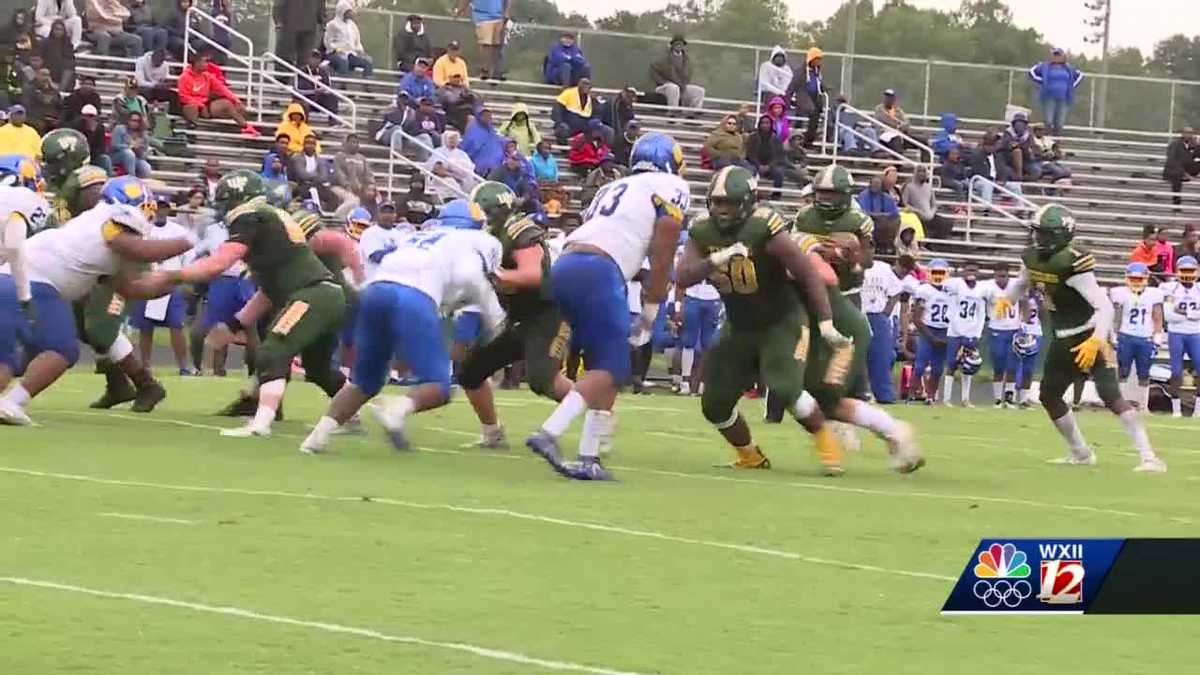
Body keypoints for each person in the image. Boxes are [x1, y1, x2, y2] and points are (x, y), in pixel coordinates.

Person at [523, 133, 690, 480]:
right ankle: (549, 433)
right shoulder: (670, 185)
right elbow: (663, 253)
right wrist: (651, 312)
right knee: (612, 368)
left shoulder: (613, 187)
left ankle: (590, 457)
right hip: (598, 269)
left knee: (605, 365)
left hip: (566, 265)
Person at [671, 166, 846, 470]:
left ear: (747, 202)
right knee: (714, 404)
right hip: (739, 325)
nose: (721, 209)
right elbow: (683, 276)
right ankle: (750, 455)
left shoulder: (764, 227)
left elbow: (807, 274)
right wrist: (717, 257)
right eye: (717, 202)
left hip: (781, 319)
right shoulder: (703, 230)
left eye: (729, 202)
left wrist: (826, 321)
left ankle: (826, 440)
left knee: (785, 388)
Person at [151, 169, 349, 437]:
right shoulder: (270, 224)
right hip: (324, 295)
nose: (222, 209)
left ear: (238, 200)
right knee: (318, 369)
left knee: (273, 350)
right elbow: (269, 291)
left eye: (225, 202)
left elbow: (219, 263)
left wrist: (172, 275)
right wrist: (234, 324)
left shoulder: (251, 216)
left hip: (312, 295)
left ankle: (261, 422)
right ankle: (350, 416)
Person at [300, 220, 505, 453]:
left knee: (364, 382)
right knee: (440, 386)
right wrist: (497, 323)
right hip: (412, 296)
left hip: (374, 292)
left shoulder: (426, 238)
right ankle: (396, 409)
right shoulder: (477, 246)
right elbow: (471, 278)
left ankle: (317, 436)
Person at [0, 177, 187, 425]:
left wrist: (179, 278)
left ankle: (131, 384)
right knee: (63, 348)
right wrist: (189, 242)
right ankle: (12, 402)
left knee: (10, 355)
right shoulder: (115, 222)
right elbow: (141, 253)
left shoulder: (94, 223)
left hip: (14, 277)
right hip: (37, 282)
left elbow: (128, 286)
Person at [992, 204, 1165, 470]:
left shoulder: (1072, 263)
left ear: (1062, 235)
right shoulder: (1032, 257)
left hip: (1089, 334)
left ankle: (1149, 457)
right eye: (1037, 232)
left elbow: (1104, 306)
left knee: (1111, 395)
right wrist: (1008, 298)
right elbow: (1023, 281)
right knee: (1049, 396)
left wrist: (1097, 340)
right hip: (1063, 338)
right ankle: (1081, 453)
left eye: (1045, 233)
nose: (1039, 238)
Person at [785, 164, 923, 472]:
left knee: (825, 392)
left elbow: (867, 261)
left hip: (843, 300)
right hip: (813, 302)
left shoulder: (857, 220)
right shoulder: (805, 218)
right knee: (811, 385)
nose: (826, 199)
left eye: (832, 194)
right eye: (822, 193)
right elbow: (796, 253)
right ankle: (885, 431)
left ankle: (888, 431)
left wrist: (850, 257)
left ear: (846, 195)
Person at [128, 196, 193, 375]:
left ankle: (184, 366)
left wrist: (184, 278)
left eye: (164, 208)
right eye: (157, 208)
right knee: (145, 327)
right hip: (147, 280)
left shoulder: (179, 231)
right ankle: (145, 366)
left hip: (171, 282)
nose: (160, 212)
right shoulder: (142, 229)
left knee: (177, 325)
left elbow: (188, 257)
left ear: (168, 210)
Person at [1108, 262, 1164, 411]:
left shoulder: (1153, 294)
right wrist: (1113, 336)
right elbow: (1115, 318)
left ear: (1146, 278)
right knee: (1122, 371)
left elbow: (1158, 318)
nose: (1136, 282)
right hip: (1125, 335)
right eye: (1133, 279)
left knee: (1144, 373)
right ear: (1127, 278)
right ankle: (1119, 404)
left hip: (1145, 338)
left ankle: (1143, 405)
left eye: (1139, 279)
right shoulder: (1120, 293)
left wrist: (1157, 338)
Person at [938, 263, 987, 407]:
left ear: (978, 273)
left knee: (968, 365)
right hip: (955, 331)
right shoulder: (957, 284)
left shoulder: (981, 289)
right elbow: (944, 283)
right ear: (963, 272)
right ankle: (946, 399)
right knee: (951, 364)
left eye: (974, 270)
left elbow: (981, 314)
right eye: (968, 270)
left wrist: (977, 334)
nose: (971, 273)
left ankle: (965, 399)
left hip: (971, 332)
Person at [177, 52, 257, 136]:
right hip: (190, 105)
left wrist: (236, 100)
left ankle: (245, 127)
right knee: (191, 107)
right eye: (205, 62)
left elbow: (222, 89)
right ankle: (191, 132)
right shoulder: (184, 77)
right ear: (197, 63)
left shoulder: (207, 76)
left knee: (227, 103)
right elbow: (183, 96)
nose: (207, 64)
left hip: (205, 104)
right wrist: (199, 105)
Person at [977, 263, 1023, 407]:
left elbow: (1025, 302)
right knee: (998, 366)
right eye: (998, 276)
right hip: (996, 329)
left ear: (1009, 275)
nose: (1001, 279)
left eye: (1004, 276)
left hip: (1014, 329)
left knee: (1012, 366)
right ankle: (997, 399)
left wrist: (1024, 323)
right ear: (994, 275)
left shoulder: (1016, 285)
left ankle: (1009, 398)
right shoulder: (987, 286)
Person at [1159, 256, 1200, 418]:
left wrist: (1182, 312)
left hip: (1196, 333)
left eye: (1191, 271)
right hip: (1176, 333)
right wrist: (1193, 314)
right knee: (1176, 372)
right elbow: (1169, 316)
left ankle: (1197, 410)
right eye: (1184, 270)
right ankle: (1176, 410)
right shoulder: (1170, 288)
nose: (1187, 274)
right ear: (1177, 271)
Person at [862, 254, 906, 403]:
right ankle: (856, 392)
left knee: (881, 357)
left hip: (877, 314)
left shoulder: (884, 268)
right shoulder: (853, 265)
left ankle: (884, 394)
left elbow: (896, 291)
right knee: (854, 356)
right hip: (858, 312)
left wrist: (886, 312)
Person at [910, 259, 951, 404]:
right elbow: (916, 318)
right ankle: (911, 395)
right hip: (927, 330)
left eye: (941, 272)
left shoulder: (951, 291)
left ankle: (931, 396)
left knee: (938, 369)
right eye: (935, 272)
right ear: (929, 273)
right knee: (920, 366)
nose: (938, 275)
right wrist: (931, 337)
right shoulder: (924, 290)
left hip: (944, 330)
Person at [1028, 48, 1083, 135]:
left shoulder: (1068, 68)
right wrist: (1041, 81)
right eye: (1055, 55)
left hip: (1064, 98)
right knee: (1048, 121)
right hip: (1048, 97)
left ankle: (1056, 141)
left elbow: (1080, 75)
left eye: (1058, 55)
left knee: (1060, 122)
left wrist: (1072, 86)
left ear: (1062, 56)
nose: (1056, 57)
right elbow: (1032, 72)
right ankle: (1047, 140)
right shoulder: (1045, 66)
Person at [454, 0, 510, 81]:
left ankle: (497, 71)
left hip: (499, 17)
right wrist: (459, 10)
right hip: (483, 17)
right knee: (486, 44)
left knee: (497, 46)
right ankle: (485, 70)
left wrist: (506, 13)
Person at [649, 34, 704, 112]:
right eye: (677, 44)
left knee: (699, 91)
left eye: (681, 44)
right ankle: (673, 112)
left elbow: (688, 75)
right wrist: (663, 82)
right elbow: (653, 71)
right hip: (665, 87)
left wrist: (683, 85)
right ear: (672, 45)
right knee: (674, 88)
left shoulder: (687, 60)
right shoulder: (664, 58)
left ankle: (694, 113)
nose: (679, 46)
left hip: (681, 87)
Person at [873, 89, 929, 161]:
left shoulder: (898, 110)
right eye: (886, 97)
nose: (888, 99)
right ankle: (898, 165)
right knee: (897, 142)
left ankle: (926, 165)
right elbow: (887, 121)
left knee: (923, 141)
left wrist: (902, 126)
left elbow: (907, 122)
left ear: (894, 99)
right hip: (886, 136)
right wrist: (899, 125)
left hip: (901, 135)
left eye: (891, 97)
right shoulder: (879, 109)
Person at [356, 201, 406, 281]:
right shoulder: (369, 233)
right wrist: (396, 251)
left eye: (390, 212)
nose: (387, 215)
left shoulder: (400, 235)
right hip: (374, 281)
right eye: (384, 212)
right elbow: (375, 257)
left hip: (394, 281)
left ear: (395, 215)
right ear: (378, 215)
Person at [786, 47, 825, 146]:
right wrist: (787, 99)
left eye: (819, 59)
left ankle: (809, 139)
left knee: (817, 112)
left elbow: (820, 86)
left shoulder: (817, 73)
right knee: (812, 112)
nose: (818, 62)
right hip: (802, 96)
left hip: (814, 98)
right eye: (816, 59)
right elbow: (792, 86)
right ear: (811, 59)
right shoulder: (800, 72)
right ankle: (805, 139)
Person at [552, 77, 609, 143]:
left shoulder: (592, 99)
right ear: (579, 85)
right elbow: (557, 108)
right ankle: (564, 148)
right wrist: (559, 122)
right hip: (568, 125)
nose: (585, 87)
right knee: (562, 129)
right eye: (584, 84)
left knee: (605, 130)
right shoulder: (568, 93)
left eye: (588, 85)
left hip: (585, 127)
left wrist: (594, 123)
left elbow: (597, 113)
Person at [324, 1, 373, 78]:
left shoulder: (352, 25)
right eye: (349, 11)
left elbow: (357, 41)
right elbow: (327, 42)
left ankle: (367, 83)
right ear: (343, 11)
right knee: (343, 62)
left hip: (351, 54)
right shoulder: (332, 24)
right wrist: (336, 50)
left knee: (368, 62)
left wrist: (360, 51)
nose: (351, 13)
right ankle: (341, 83)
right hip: (335, 53)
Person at [424, 129, 475, 201]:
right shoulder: (439, 151)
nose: (453, 141)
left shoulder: (462, 154)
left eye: (455, 138)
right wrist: (454, 176)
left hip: (461, 180)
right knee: (451, 183)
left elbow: (468, 169)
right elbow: (438, 169)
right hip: (442, 180)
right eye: (451, 138)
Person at [743, 114, 788, 196]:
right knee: (749, 170)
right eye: (763, 123)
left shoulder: (776, 139)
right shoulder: (752, 137)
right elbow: (750, 154)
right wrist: (758, 165)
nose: (765, 125)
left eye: (767, 123)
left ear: (771, 125)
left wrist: (769, 166)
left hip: (771, 165)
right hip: (755, 164)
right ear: (759, 124)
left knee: (779, 172)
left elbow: (778, 156)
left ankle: (776, 194)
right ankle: (748, 193)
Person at [901, 166, 949, 240]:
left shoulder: (929, 187)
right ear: (916, 173)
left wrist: (932, 213)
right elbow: (905, 203)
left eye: (924, 172)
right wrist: (917, 211)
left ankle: (936, 242)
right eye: (920, 171)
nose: (923, 174)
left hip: (929, 214)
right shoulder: (909, 187)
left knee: (946, 223)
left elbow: (934, 204)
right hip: (917, 216)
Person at [272, 0, 324, 68]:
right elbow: (321, 8)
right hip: (308, 25)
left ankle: (286, 73)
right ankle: (301, 72)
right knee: (304, 60)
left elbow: (278, 4)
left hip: (289, 25)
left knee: (285, 60)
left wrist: (278, 20)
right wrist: (321, 20)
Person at [111, 111, 160, 179]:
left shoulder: (143, 135)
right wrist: (130, 146)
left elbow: (144, 154)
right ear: (128, 121)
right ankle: (132, 178)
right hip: (118, 155)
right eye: (133, 120)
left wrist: (138, 150)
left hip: (136, 158)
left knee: (146, 167)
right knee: (129, 153)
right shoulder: (119, 129)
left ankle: (142, 183)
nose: (135, 123)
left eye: (138, 121)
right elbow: (114, 145)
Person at [333, 133, 375, 210]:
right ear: (346, 143)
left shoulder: (362, 158)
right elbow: (339, 174)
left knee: (375, 198)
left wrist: (371, 185)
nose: (354, 144)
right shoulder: (339, 156)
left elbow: (368, 174)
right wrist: (347, 185)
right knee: (353, 200)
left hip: (360, 189)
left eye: (356, 142)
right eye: (352, 142)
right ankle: (339, 214)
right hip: (341, 188)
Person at [461, 108, 506, 178]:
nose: (487, 118)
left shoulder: (491, 131)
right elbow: (468, 148)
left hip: (498, 166)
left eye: (489, 116)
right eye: (484, 116)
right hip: (480, 167)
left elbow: (497, 144)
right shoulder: (472, 131)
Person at [295, 49, 338, 119]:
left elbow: (328, 86)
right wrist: (314, 91)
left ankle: (333, 121)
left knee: (332, 98)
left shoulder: (323, 71)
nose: (315, 60)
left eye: (317, 58)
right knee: (304, 103)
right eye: (313, 58)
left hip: (318, 98)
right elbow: (298, 89)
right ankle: (304, 123)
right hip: (305, 98)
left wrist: (321, 90)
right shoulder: (301, 71)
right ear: (308, 59)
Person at [1163, 127, 1200, 207]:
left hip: (1187, 168)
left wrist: (1198, 146)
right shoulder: (1175, 145)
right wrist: (1185, 173)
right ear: (1183, 134)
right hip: (1174, 170)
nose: (1189, 135)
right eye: (1187, 133)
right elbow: (1172, 161)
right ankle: (1176, 201)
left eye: (1191, 133)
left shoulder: (1193, 145)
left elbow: (1196, 157)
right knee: (1176, 172)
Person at [38, 18, 74, 94]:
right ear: (52, 30)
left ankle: (60, 91)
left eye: (61, 30)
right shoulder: (45, 43)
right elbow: (40, 58)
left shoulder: (67, 44)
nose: (58, 32)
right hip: (48, 70)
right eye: (56, 29)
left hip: (63, 73)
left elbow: (70, 59)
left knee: (69, 66)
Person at [71, 104, 109, 174]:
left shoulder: (99, 128)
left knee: (105, 158)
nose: (89, 118)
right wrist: (88, 132)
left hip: (93, 155)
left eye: (92, 116)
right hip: (78, 156)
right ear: (82, 116)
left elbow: (101, 147)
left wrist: (92, 133)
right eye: (87, 116)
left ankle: (109, 177)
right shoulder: (76, 126)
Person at [20, 69, 60, 134]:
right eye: (43, 75)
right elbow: (27, 108)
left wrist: (57, 119)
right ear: (37, 76)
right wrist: (43, 118)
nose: (45, 78)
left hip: (52, 119)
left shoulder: (54, 91)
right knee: (41, 125)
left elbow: (60, 106)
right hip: (35, 119)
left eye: (48, 75)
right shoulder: (29, 89)